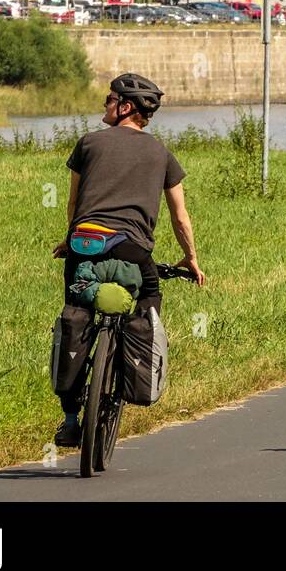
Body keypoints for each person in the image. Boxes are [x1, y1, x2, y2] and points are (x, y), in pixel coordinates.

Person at [50, 73, 205, 447]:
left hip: (84, 243)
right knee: (149, 301)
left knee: (76, 310)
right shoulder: (162, 154)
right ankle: (132, 366)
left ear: (125, 107)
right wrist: (190, 259)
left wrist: (70, 239)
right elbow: (180, 216)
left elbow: (74, 203)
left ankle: (71, 418)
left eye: (109, 98)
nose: (105, 103)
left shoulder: (88, 143)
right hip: (132, 250)